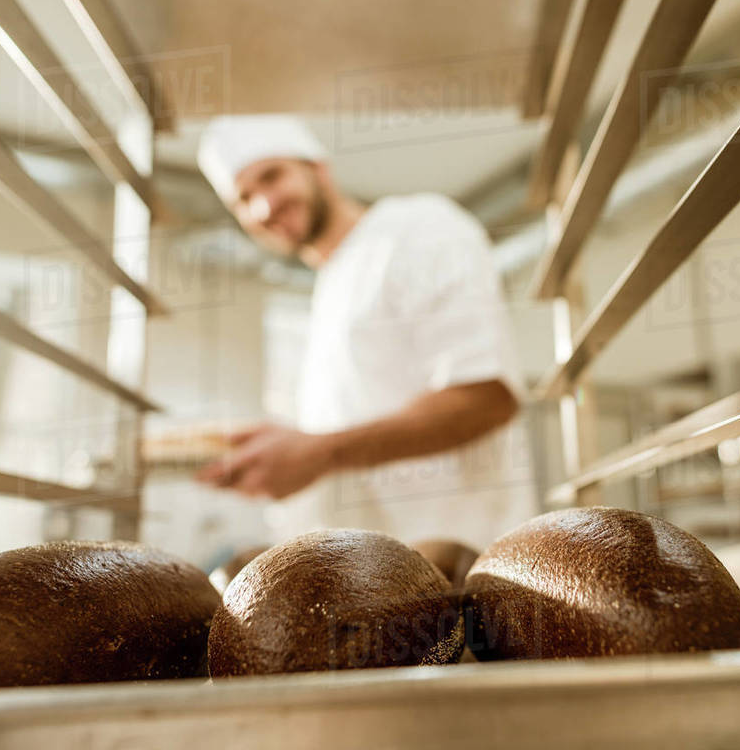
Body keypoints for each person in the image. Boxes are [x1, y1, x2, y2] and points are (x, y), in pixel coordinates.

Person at [195, 116, 536, 548]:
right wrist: (279, 451)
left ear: (318, 168)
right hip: (375, 584)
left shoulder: (417, 230)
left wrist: (316, 452)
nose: (264, 206)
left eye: (272, 175)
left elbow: (485, 399)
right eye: (244, 199)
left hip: (462, 577)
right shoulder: (328, 288)